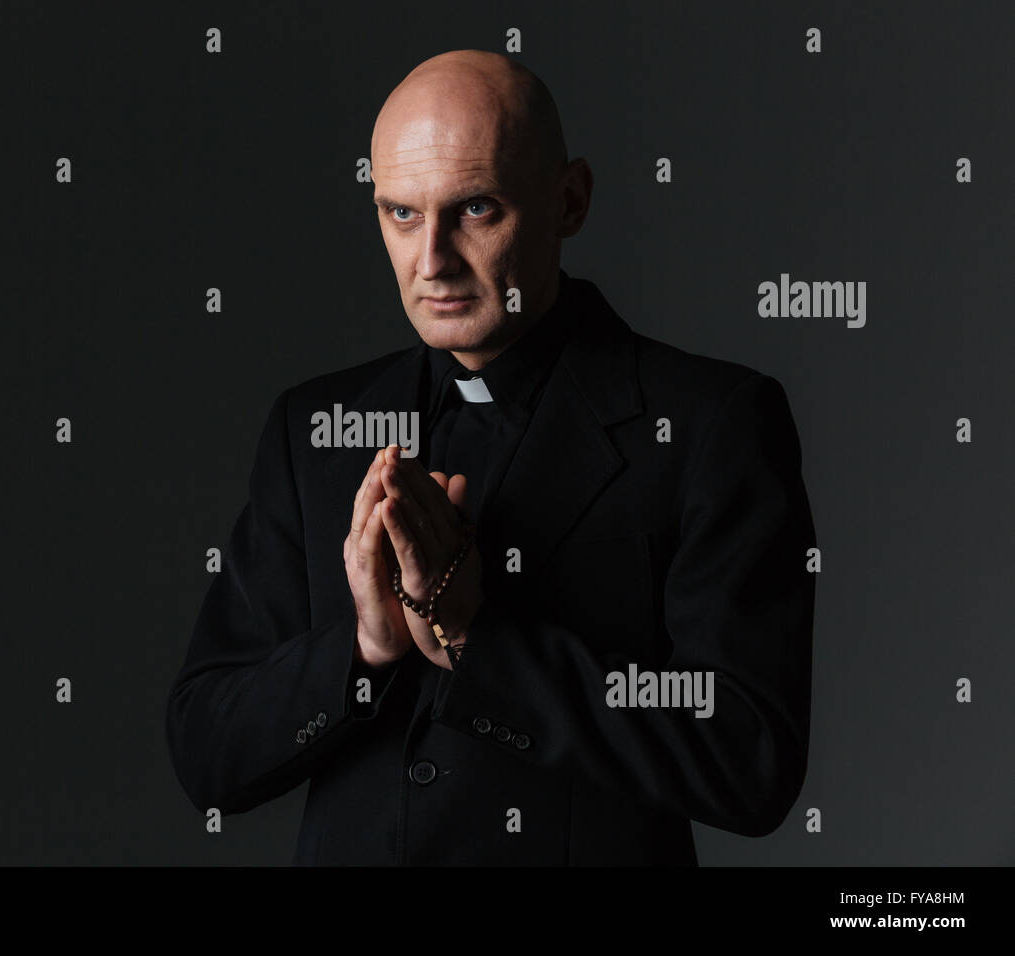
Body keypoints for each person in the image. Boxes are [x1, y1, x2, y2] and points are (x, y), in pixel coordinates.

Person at [165, 49, 817, 865]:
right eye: (401, 214)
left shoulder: (711, 423)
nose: (430, 259)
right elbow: (205, 748)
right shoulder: (314, 427)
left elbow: (749, 760)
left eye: (474, 209)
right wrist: (364, 645)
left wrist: (475, 637)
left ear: (569, 200)